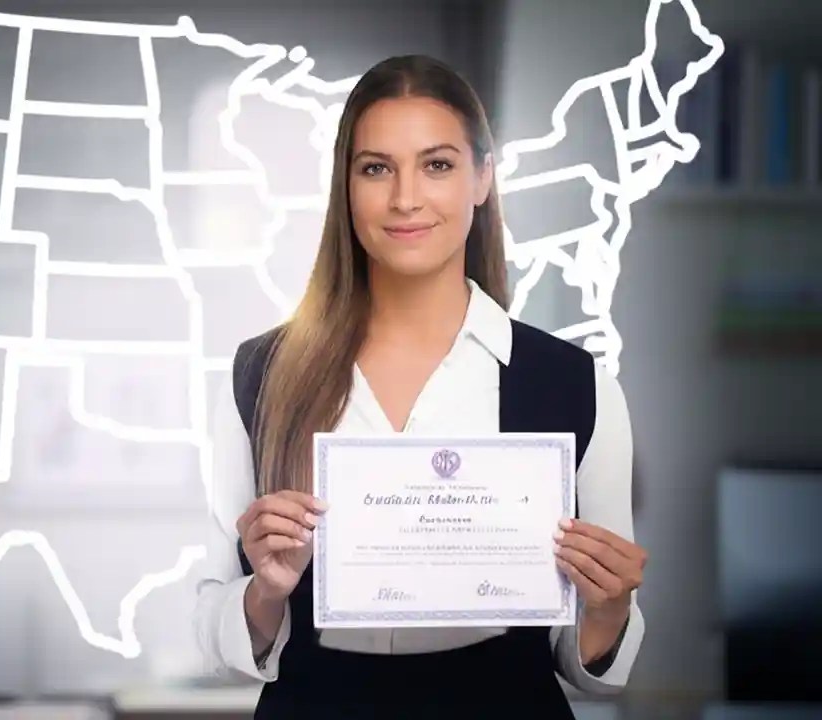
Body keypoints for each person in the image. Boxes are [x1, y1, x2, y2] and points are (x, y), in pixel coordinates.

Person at [192, 54, 648, 718]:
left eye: (437, 164)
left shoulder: (577, 386)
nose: (405, 198)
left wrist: (608, 605)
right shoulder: (258, 378)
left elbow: (594, 670)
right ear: (346, 187)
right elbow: (212, 626)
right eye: (376, 168)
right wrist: (264, 591)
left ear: (483, 177)